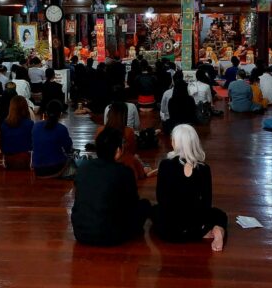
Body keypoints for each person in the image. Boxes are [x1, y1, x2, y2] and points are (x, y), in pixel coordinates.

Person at [152, 124, 227, 252]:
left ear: (175, 143)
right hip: (196, 227)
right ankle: (217, 230)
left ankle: (191, 230)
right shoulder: (204, 168)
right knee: (220, 214)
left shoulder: (165, 165)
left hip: (170, 232)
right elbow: (207, 202)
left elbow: (161, 198)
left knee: (154, 210)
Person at [71, 128, 151, 246]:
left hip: (81, 232)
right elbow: (132, 203)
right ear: (118, 150)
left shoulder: (83, 168)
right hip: (112, 235)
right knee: (145, 205)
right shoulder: (124, 172)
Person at [96, 102, 149, 179]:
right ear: (124, 116)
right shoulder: (128, 131)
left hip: (103, 165)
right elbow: (132, 151)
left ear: (109, 114)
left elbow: (98, 151)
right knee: (136, 159)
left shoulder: (100, 130)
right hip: (124, 165)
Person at [31, 100, 75, 179]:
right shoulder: (61, 129)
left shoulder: (36, 126)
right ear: (60, 114)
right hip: (55, 168)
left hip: (37, 169)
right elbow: (69, 149)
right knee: (72, 157)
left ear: (46, 113)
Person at [0, 95, 34, 161]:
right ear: (25, 107)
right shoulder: (30, 124)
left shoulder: (4, 125)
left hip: (8, 161)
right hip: (26, 161)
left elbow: (1, 146)